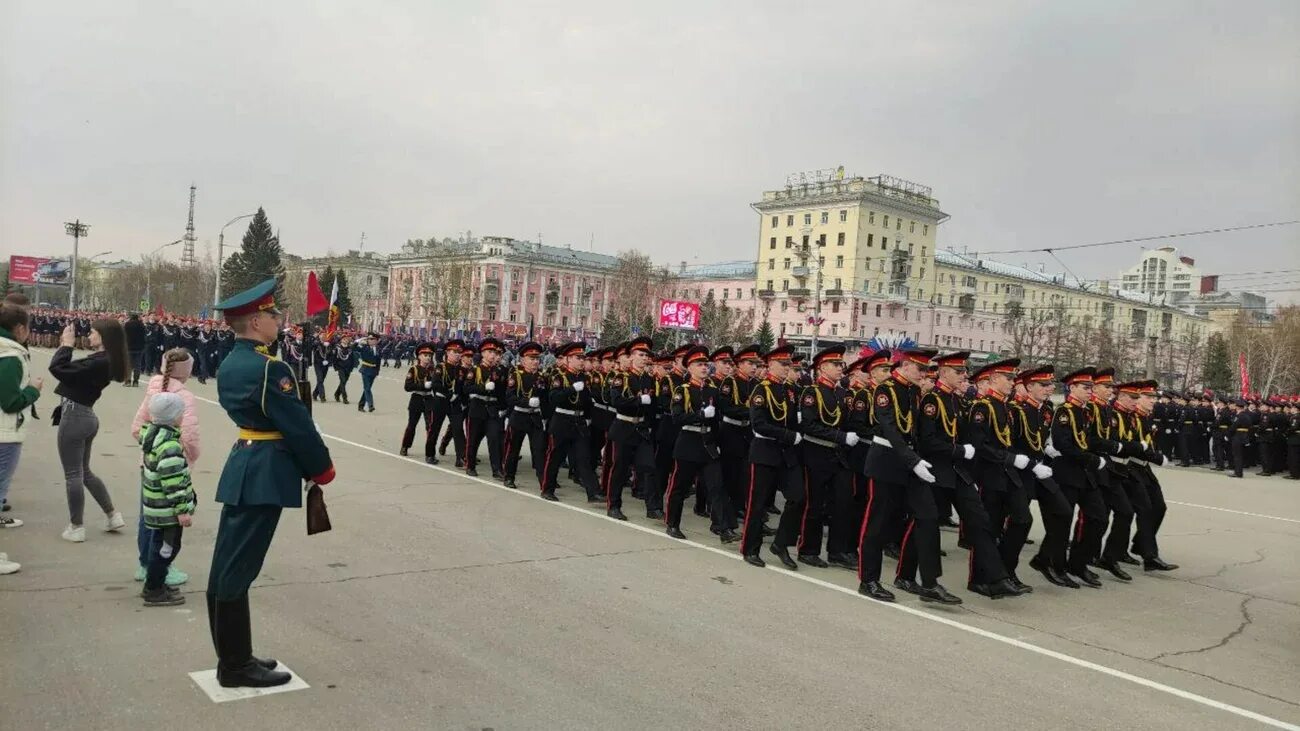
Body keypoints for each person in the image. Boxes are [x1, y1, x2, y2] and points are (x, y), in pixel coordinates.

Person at [207, 279, 335, 688]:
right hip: (265, 470)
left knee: (230, 566)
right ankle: (235, 666)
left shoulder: (232, 363)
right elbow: (298, 426)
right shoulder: (269, 368)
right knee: (236, 571)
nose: (279, 321)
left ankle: (236, 656)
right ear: (257, 320)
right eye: (274, 315)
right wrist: (322, 468)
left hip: (247, 461)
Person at [49, 318, 128, 543]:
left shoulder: (100, 361)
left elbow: (58, 368)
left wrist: (66, 344)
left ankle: (76, 526)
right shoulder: (104, 360)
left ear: (104, 337)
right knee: (84, 472)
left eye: (93, 332)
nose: (89, 335)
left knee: (73, 474)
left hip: (75, 417)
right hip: (84, 416)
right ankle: (112, 515)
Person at [130, 348, 200, 586]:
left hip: (149, 461)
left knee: (147, 514)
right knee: (168, 522)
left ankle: (144, 563)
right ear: (186, 371)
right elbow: (189, 436)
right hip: (172, 463)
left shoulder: (153, 390)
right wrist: (188, 455)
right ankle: (161, 568)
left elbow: (137, 427)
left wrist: (151, 446)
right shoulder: (184, 397)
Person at [138, 392, 197, 607]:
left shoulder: (152, 437)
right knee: (166, 549)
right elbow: (172, 481)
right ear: (174, 417)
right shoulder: (169, 446)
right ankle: (153, 588)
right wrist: (182, 509)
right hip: (168, 510)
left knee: (160, 545)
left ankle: (157, 582)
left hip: (156, 508)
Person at [0, 303, 44, 534]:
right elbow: (10, 402)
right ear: (19, 329)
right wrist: (33, 390)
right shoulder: (10, 356)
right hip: (4, 432)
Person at [399, 343, 437, 458]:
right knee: (412, 425)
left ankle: (430, 452)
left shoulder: (434, 370)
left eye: (430, 355)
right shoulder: (414, 369)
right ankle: (405, 446)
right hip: (417, 398)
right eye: (425, 355)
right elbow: (407, 386)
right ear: (419, 356)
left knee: (430, 427)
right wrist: (422, 385)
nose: (428, 357)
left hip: (429, 399)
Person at [356, 333, 380, 412]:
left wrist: (377, 372)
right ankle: (370, 405)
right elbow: (353, 348)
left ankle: (361, 405)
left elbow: (378, 361)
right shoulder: (364, 347)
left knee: (367, 389)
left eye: (372, 339)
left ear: (377, 340)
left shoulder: (378, 349)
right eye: (369, 339)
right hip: (365, 370)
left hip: (373, 371)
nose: (370, 340)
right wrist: (357, 341)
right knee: (367, 388)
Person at [124, 313, 145, 387]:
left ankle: (128, 381)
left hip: (129, 347)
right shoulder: (141, 325)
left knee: (128, 365)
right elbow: (144, 336)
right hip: (139, 348)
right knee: (137, 365)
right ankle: (136, 381)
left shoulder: (127, 325)